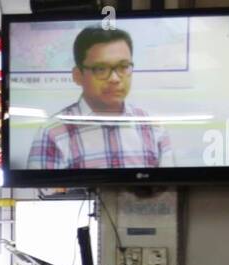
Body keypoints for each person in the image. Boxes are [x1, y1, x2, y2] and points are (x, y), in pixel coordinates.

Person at [27, 25, 174, 170]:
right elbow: (42, 192)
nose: (115, 79)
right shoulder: (53, 132)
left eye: (123, 67)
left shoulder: (153, 127)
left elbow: (171, 190)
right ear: (78, 75)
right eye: (101, 69)